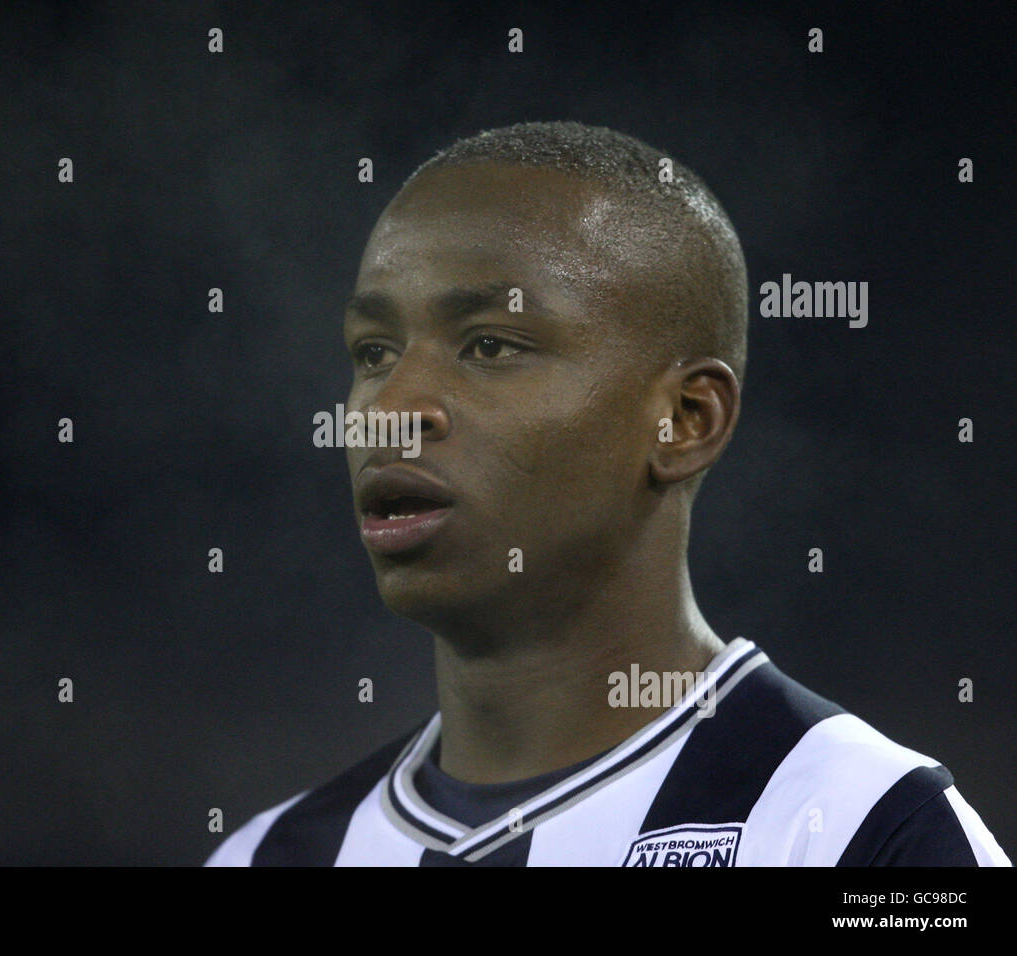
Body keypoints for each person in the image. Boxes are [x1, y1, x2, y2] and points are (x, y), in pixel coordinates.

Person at [207, 121, 1009, 866]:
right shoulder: (264, 856)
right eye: (374, 351)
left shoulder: (864, 832)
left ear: (685, 420)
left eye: (489, 345)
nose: (389, 411)